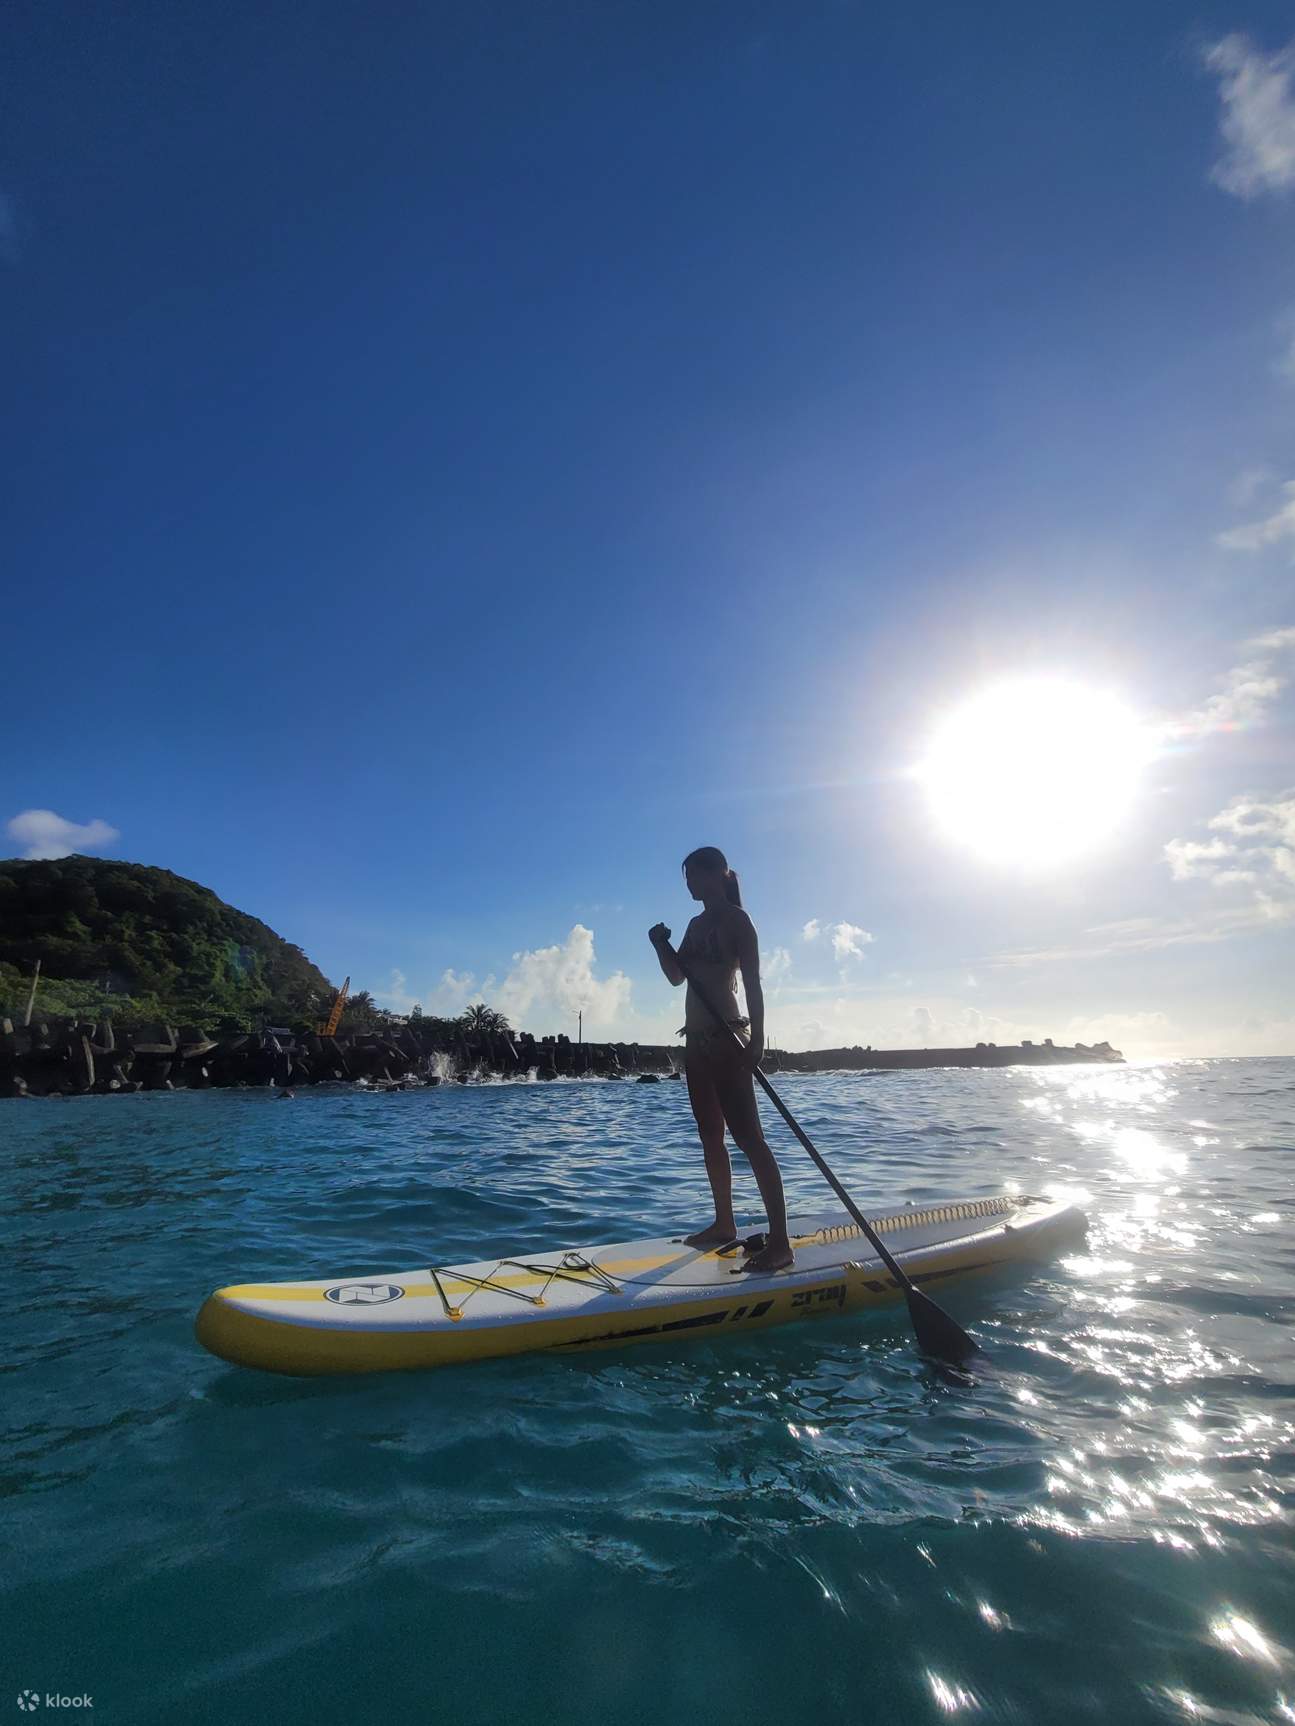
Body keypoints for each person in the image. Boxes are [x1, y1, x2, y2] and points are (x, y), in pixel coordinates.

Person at [649, 846, 793, 1272]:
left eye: (693, 876)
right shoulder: (695, 925)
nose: (689, 885)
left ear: (717, 874)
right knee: (710, 1133)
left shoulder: (738, 921)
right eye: (686, 879)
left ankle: (781, 1243)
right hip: (696, 1042)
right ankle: (724, 1224)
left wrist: (758, 1042)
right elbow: (678, 977)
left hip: (729, 1038)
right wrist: (661, 945)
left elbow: (753, 984)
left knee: (750, 1139)